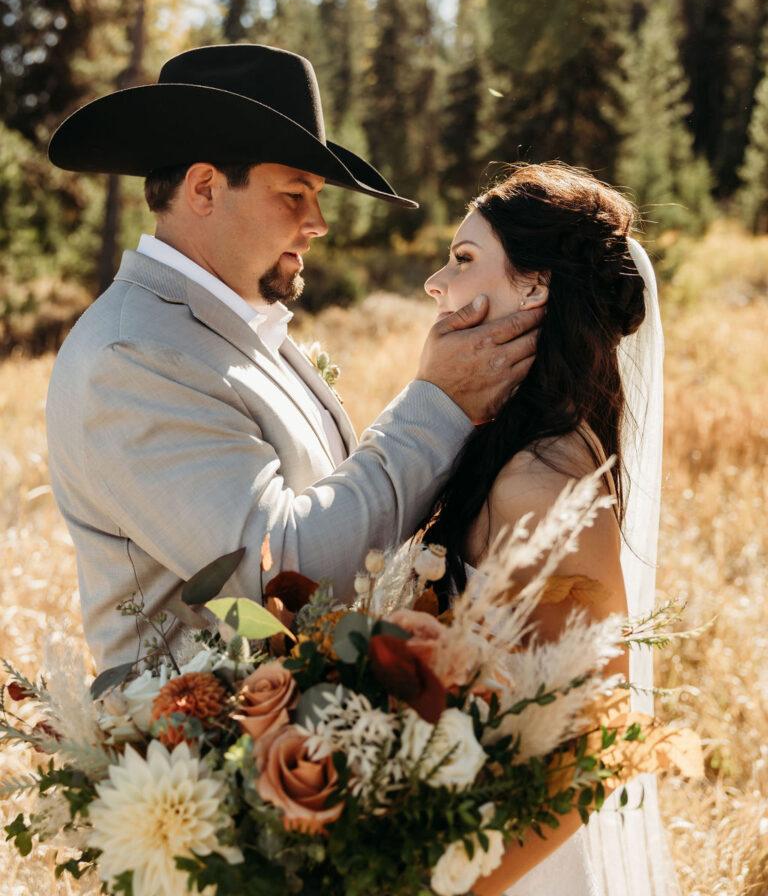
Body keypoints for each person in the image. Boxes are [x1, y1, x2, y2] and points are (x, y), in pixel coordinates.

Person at [44, 43, 541, 672]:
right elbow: (283, 573)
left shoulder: (231, 326)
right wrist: (438, 405)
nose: (319, 222)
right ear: (205, 188)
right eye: (294, 194)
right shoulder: (134, 356)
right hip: (203, 755)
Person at [421, 162, 676, 896]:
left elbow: (596, 747)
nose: (437, 282)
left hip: (511, 866)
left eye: (464, 260)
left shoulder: (542, 483)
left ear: (535, 288)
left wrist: (462, 886)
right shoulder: (507, 446)